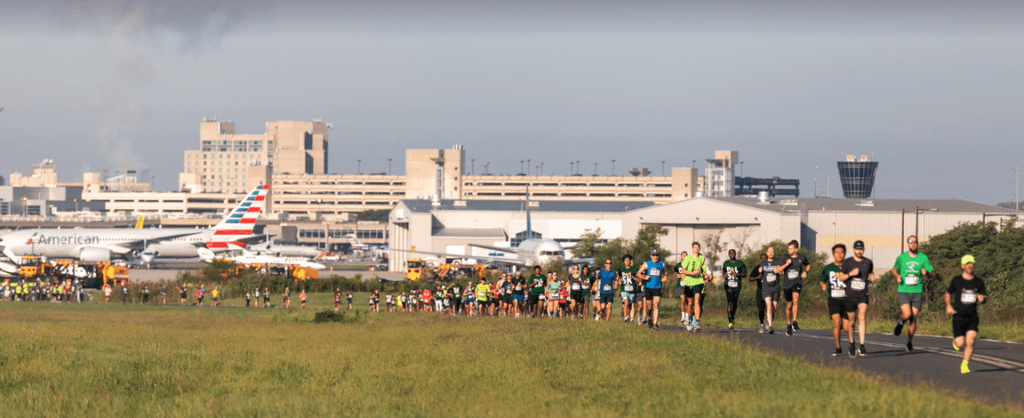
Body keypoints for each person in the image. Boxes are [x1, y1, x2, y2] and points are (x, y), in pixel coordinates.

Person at [946, 255, 987, 374]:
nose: (970, 265)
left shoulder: (978, 281)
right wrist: (948, 306)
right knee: (960, 343)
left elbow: (983, 297)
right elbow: (948, 293)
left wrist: (982, 299)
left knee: (971, 340)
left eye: (972, 263)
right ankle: (955, 343)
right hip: (958, 317)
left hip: (972, 317)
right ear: (962, 266)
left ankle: (965, 364)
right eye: (967, 263)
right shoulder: (957, 280)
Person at [892, 235, 933, 352]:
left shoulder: (923, 258)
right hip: (903, 290)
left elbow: (931, 274)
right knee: (907, 314)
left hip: (917, 291)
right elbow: (894, 269)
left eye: (915, 242)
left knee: (914, 318)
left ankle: (909, 343)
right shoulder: (902, 257)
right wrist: (897, 276)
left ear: (917, 244)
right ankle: (900, 322)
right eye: (911, 242)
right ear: (908, 244)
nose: (913, 244)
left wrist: (926, 273)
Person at [838, 240, 877, 357]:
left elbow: (870, 274)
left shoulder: (868, 262)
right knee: (851, 321)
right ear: (853, 250)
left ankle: (862, 346)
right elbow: (840, 278)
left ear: (863, 250)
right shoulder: (847, 262)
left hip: (863, 295)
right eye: (857, 249)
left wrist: (872, 277)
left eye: (861, 249)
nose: (859, 251)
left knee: (862, 317)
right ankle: (851, 343)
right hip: (850, 295)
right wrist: (850, 274)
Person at [820, 244, 852, 356]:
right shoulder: (828, 268)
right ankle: (838, 348)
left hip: (847, 300)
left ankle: (852, 343)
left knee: (847, 328)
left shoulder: (849, 267)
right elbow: (822, 280)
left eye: (841, 252)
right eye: (837, 252)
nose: (839, 254)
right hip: (833, 299)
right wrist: (823, 285)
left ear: (845, 254)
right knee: (836, 323)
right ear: (833, 255)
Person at [781, 240, 811, 336]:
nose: (788, 250)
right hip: (787, 284)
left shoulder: (801, 257)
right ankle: (789, 324)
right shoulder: (784, 257)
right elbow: (778, 269)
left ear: (796, 249)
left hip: (797, 283)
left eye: (791, 248)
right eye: (788, 248)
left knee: (796, 300)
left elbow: (808, 264)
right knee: (788, 306)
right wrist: (785, 265)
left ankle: (794, 321)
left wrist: (806, 272)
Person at [679, 243, 708, 331]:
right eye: (695, 247)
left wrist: (705, 274)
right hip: (689, 282)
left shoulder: (702, 258)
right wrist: (692, 273)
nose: (696, 249)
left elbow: (701, 268)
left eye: (698, 247)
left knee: (697, 302)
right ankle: (690, 319)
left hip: (698, 282)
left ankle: (697, 322)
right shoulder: (688, 258)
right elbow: (683, 270)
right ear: (692, 248)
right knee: (690, 303)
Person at [641, 249, 666, 330]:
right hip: (648, 287)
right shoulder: (647, 264)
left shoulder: (662, 264)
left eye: (657, 255)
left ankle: (655, 324)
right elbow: (638, 273)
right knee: (649, 307)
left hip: (657, 287)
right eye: (654, 255)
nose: (655, 257)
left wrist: (665, 277)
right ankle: (649, 319)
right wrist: (644, 277)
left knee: (656, 304)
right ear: (651, 256)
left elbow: (665, 272)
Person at [722, 249, 747, 330]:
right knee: (730, 302)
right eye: (730, 253)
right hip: (728, 285)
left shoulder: (740, 263)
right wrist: (724, 275)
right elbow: (724, 272)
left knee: (735, 303)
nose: (732, 254)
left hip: (737, 286)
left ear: (735, 254)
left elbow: (745, 274)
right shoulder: (726, 263)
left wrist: (738, 274)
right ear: (728, 254)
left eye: (733, 253)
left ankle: (732, 317)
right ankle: (730, 322)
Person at [761, 247, 784, 334]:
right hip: (766, 288)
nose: (771, 253)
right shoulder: (763, 263)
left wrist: (783, 271)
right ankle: (770, 326)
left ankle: (768, 318)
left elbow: (781, 271)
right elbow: (760, 273)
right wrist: (759, 272)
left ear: (774, 253)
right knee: (768, 306)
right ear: (766, 253)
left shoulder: (777, 262)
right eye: (769, 252)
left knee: (774, 309)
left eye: (772, 252)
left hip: (775, 288)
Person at [619, 255, 638, 323]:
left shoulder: (634, 269)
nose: (627, 262)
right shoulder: (621, 270)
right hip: (624, 290)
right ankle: (625, 318)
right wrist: (619, 281)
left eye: (629, 260)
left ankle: (631, 318)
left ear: (630, 262)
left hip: (632, 290)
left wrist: (632, 276)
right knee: (626, 303)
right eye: (626, 260)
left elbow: (638, 280)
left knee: (631, 305)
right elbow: (619, 278)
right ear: (624, 262)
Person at [674, 251, 689, 324]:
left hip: (688, 285)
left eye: (686, 256)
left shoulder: (689, 265)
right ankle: (683, 315)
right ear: (681, 257)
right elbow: (676, 274)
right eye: (683, 256)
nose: (684, 257)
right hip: (680, 285)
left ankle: (687, 316)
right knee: (683, 299)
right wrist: (680, 276)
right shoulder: (678, 265)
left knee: (688, 301)